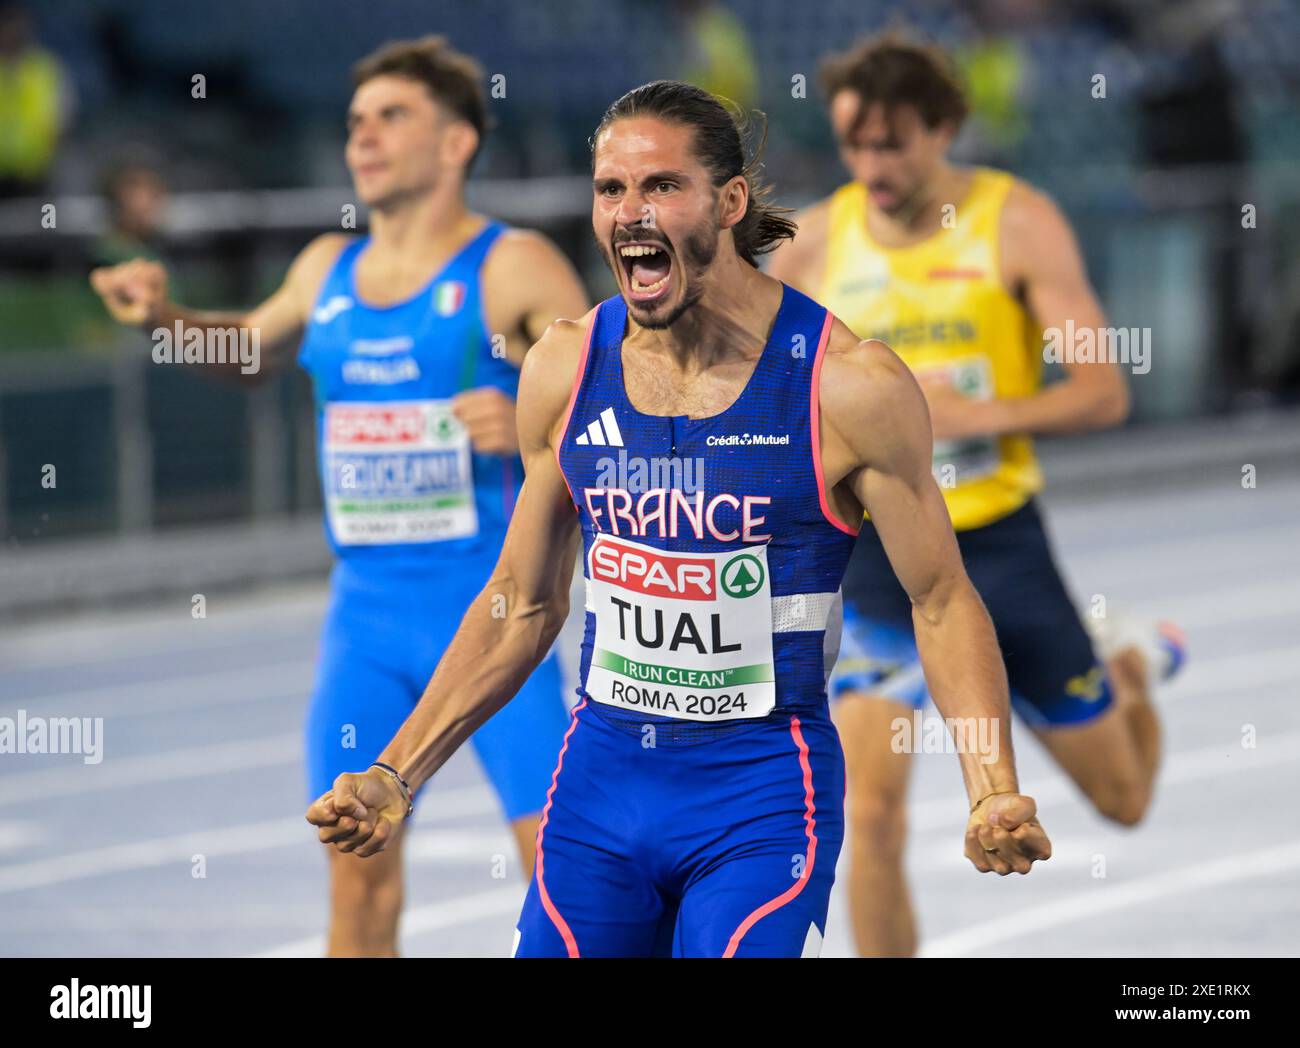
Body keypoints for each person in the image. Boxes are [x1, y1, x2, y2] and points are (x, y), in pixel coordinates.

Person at [307, 80, 1051, 959]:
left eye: (661, 186)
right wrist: (398, 772)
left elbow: (940, 601)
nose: (630, 212)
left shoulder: (848, 386)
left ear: (730, 202)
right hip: (600, 792)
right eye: (611, 190)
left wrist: (991, 786)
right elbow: (523, 601)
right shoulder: (565, 367)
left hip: (762, 798)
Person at [90, 36, 589, 957]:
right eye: (356, 119)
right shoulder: (325, 268)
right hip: (366, 624)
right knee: (357, 893)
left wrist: (525, 395)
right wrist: (163, 320)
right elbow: (246, 352)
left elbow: (610, 390)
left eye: (392, 116)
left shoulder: (511, 265)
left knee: (560, 882)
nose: (364, 135)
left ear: (456, 144)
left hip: (491, 618)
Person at [769, 33, 1183, 958]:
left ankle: (1126, 676)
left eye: (895, 145)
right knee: (866, 817)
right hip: (877, 561)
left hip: (997, 545)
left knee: (1122, 801)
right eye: (854, 146)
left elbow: (1104, 389)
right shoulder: (819, 242)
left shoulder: (1017, 220)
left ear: (946, 129)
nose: (873, 168)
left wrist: (967, 410)